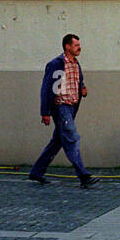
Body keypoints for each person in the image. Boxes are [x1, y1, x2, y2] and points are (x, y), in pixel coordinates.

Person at [28, 33, 99, 187]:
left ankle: (37, 172)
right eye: (76, 45)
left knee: (58, 140)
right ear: (67, 46)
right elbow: (48, 88)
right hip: (61, 106)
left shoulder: (76, 64)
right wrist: (45, 112)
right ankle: (83, 175)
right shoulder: (57, 64)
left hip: (72, 107)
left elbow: (78, 82)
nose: (79, 47)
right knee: (72, 137)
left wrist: (83, 89)